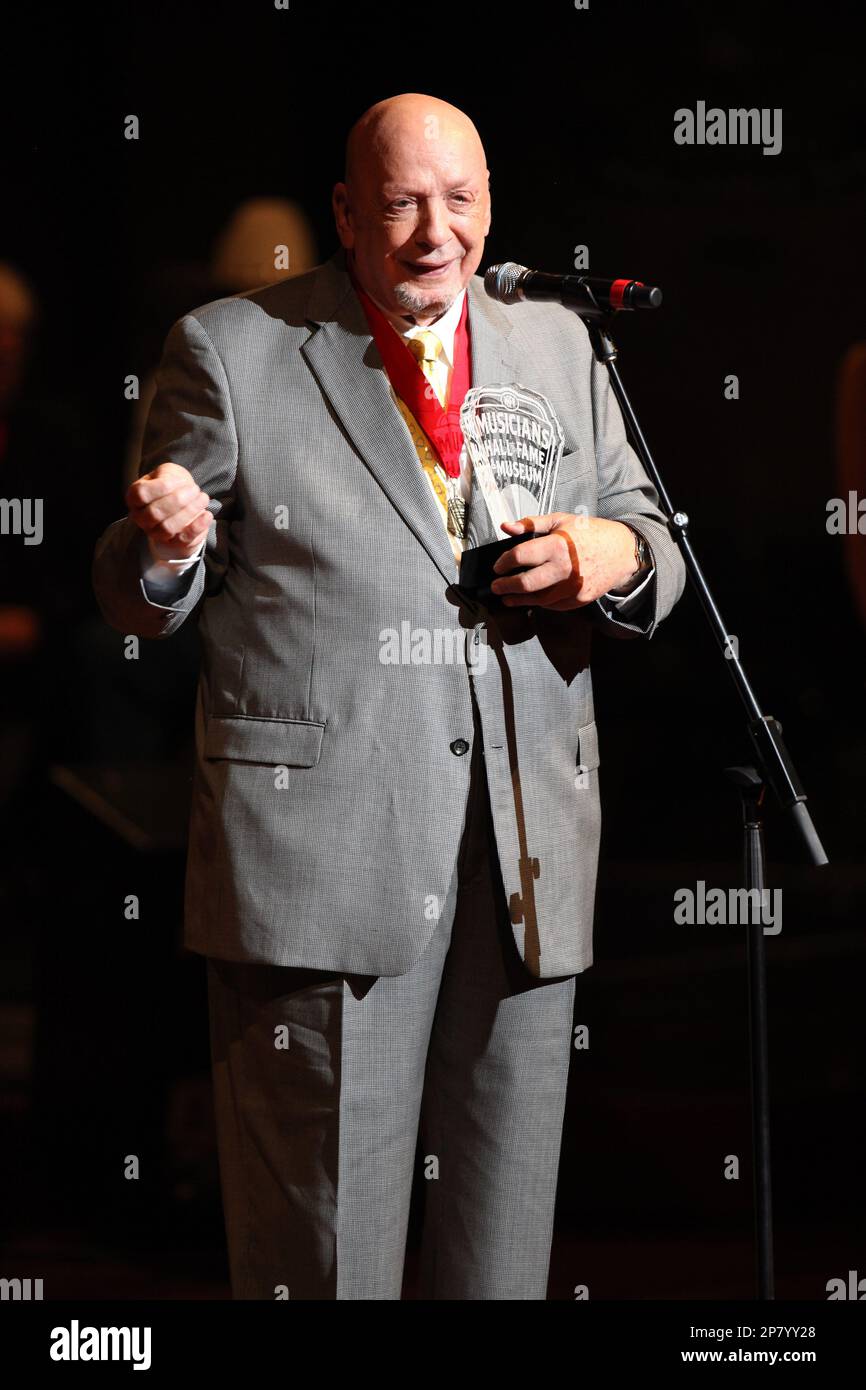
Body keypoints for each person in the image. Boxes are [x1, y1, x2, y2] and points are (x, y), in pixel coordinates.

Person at [92, 93, 686, 1300]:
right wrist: (162, 550)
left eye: (459, 201)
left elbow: (653, 539)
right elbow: (134, 582)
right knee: (326, 1258)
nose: (435, 233)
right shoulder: (230, 347)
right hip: (325, 853)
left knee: (500, 1254)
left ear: (490, 208)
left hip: (524, 853)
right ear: (347, 215)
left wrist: (604, 559)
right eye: (404, 203)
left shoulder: (554, 344)